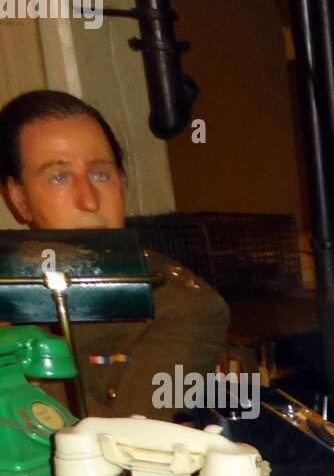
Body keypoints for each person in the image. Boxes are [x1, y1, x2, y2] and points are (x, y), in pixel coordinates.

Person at [0, 89, 229, 418]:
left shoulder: (183, 304)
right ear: (19, 198)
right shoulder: (12, 280)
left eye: (99, 174)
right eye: (59, 177)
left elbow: (137, 443)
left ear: (121, 182)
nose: (89, 200)